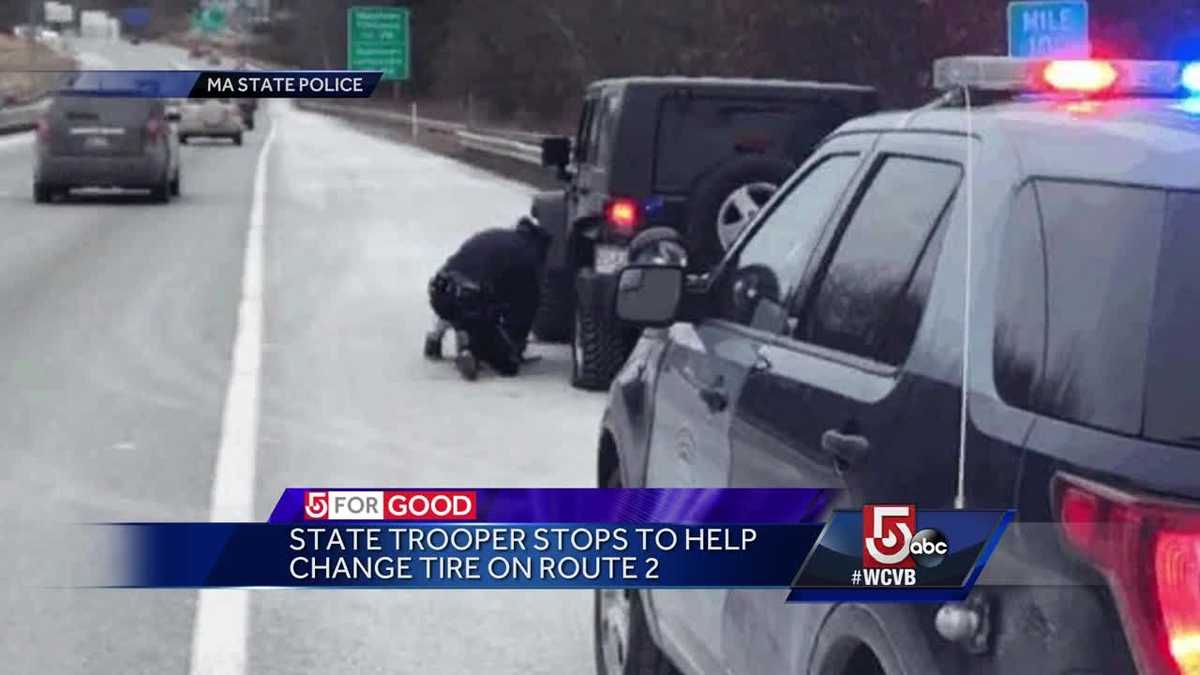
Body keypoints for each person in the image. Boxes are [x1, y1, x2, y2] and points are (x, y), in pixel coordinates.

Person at [424, 216, 552, 379]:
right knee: (508, 365)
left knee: (466, 304)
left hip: (440, 291)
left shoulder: (493, 235)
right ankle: (470, 352)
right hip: (470, 300)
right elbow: (524, 312)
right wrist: (515, 347)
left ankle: (435, 339)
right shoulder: (528, 256)